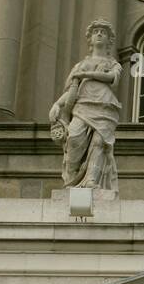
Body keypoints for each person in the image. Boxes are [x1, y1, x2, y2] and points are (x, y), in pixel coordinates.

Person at [50, 20, 122, 190]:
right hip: (82, 106)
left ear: (109, 40)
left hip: (104, 106)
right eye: (95, 31)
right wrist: (57, 105)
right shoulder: (79, 65)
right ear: (89, 39)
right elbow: (71, 90)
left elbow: (112, 78)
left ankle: (91, 179)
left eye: (103, 32)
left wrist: (86, 74)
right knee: (74, 139)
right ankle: (72, 179)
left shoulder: (113, 64)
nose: (99, 34)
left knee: (99, 142)